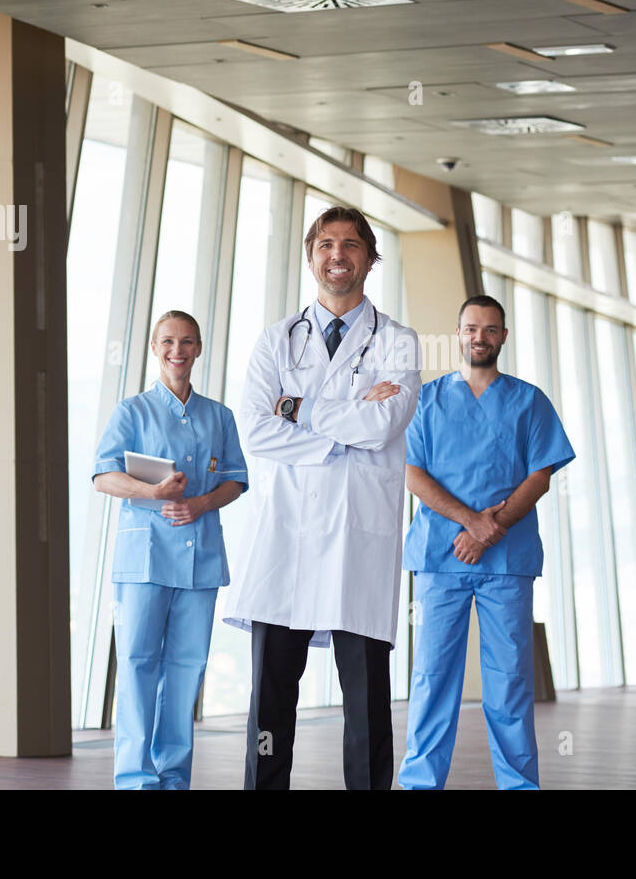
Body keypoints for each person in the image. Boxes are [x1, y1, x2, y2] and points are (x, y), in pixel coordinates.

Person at [223, 205, 420, 790]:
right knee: (271, 700)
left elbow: (384, 425)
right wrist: (343, 430)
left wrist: (299, 409)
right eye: (326, 244)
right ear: (311, 255)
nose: (338, 254)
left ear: (370, 257)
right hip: (286, 533)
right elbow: (254, 429)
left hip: (357, 534)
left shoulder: (399, 341)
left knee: (365, 700)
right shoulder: (276, 339)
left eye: (352, 244)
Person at [398, 294, 575, 790]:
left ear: (503, 336)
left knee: (510, 682)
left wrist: (489, 529)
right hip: (441, 555)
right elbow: (412, 472)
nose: (480, 337)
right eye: (471, 328)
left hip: (507, 560)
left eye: (490, 329)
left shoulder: (529, 400)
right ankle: (419, 783)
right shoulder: (427, 400)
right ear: (458, 334)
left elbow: (541, 474)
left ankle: (519, 784)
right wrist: (471, 523)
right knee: (433, 678)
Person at [92, 310, 247, 789]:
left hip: (199, 561)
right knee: (138, 665)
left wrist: (201, 502)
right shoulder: (132, 412)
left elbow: (237, 480)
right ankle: (136, 779)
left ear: (198, 348)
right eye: (167, 342)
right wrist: (152, 494)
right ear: (154, 348)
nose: (176, 351)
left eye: (186, 342)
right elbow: (103, 476)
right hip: (145, 560)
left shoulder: (219, 416)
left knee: (186, 669)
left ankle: (173, 776)